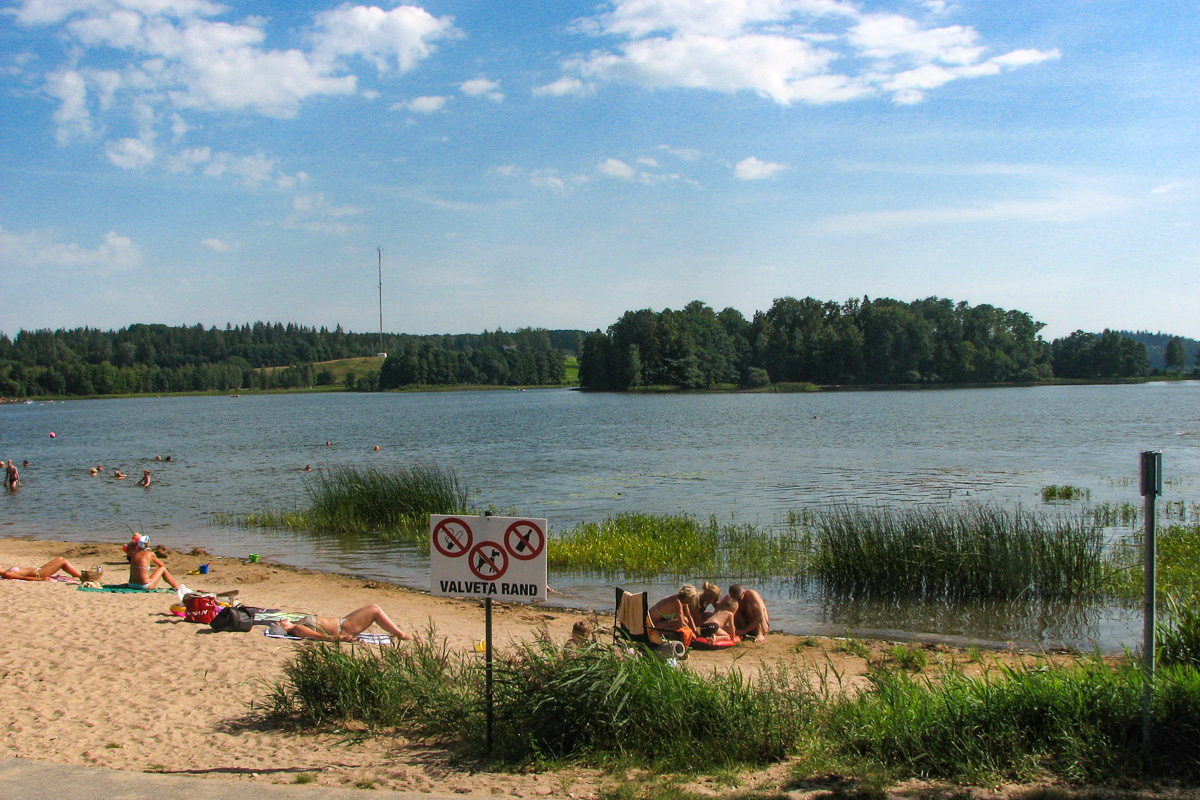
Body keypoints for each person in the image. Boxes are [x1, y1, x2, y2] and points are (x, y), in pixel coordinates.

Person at [278, 604, 415, 642]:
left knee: (372, 607)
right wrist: (341, 638)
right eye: (279, 623)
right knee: (375, 610)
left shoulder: (297, 624)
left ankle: (398, 633)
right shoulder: (298, 629)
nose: (280, 620)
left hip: (343, 621)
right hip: (344, 628)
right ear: (284, 629)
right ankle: (400, 634)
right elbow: (320, 637)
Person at [3, 557, 81, 581]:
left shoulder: (6, 571)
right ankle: (81, 577)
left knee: (60, 558)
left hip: (39, 570)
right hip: (39, 574)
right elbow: (24, 578)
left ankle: (77, 576)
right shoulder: (7, 574)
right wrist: (41, 579)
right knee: (62, 562)